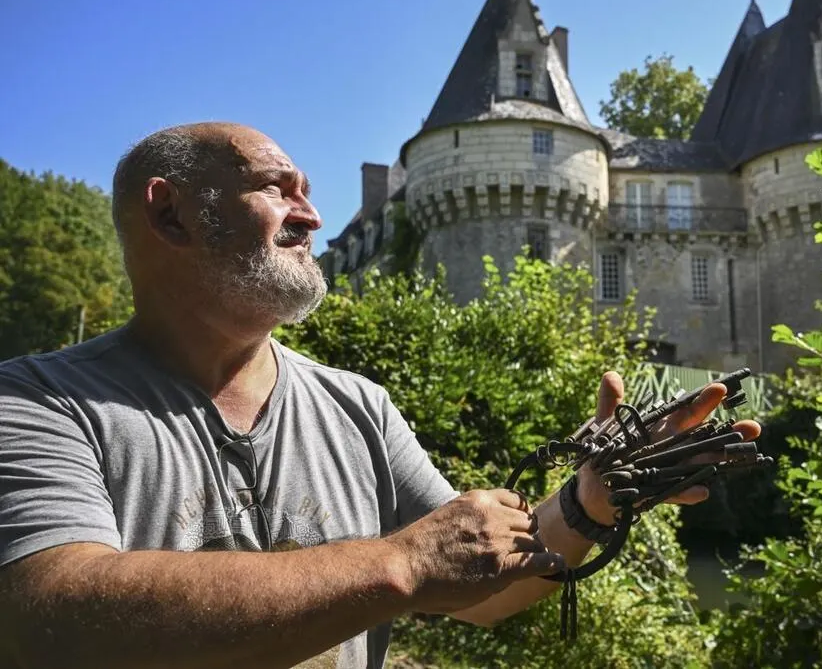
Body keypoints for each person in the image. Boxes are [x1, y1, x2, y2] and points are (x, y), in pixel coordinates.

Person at [0, 123, 761, 669]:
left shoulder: (358, 406)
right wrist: (401, 563)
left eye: (309, 193)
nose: (314, 216)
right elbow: (54, 615)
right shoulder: (38, 402)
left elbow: (479, 589)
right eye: (278, 190)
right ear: (170, 213)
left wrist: (591, 502)